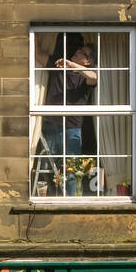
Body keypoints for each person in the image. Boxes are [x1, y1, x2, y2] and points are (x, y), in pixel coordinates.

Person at [42, 33, 98, 193]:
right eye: (79, 49)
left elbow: (94, 77)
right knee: (49, 170)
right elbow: (37, 54)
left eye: (83, 52)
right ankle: (50, 200)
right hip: (51, 125)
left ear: (87, 61)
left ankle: (71, 200)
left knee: (71, 172)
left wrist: (72, 65)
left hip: (71, 129)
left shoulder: (84, 78)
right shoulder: (58, 66)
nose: (77, 52)